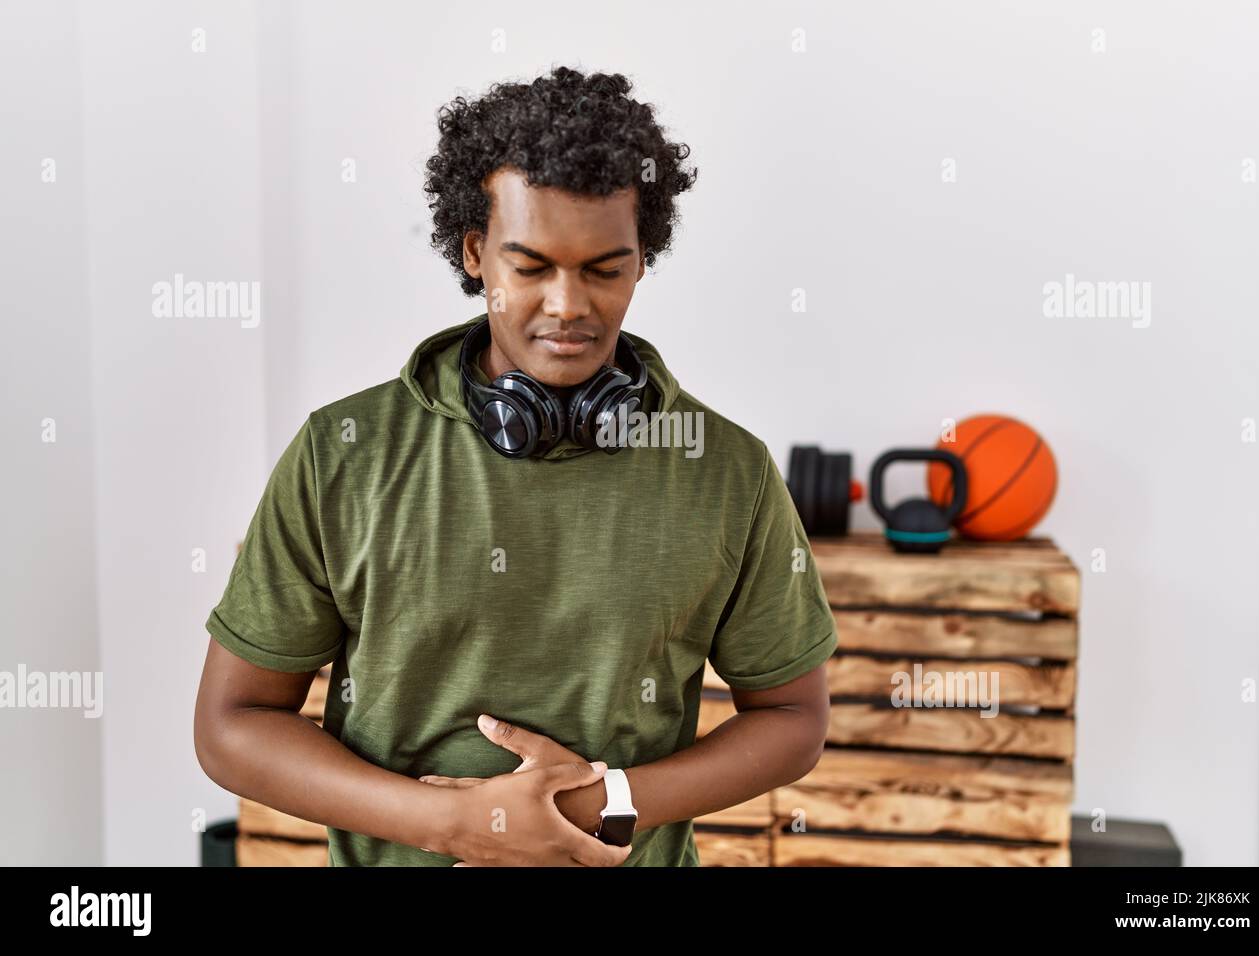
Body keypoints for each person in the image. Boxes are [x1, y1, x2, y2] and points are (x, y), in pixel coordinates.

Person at [193, 65, 838, 867]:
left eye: (605, 268)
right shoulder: (342, 452)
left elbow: (793, 719)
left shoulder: (729, 469)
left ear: (643, 262)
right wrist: (454, 824)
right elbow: (232, 726)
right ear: (476, 255)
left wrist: (606, 803)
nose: (569, 305)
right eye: (530, 266)